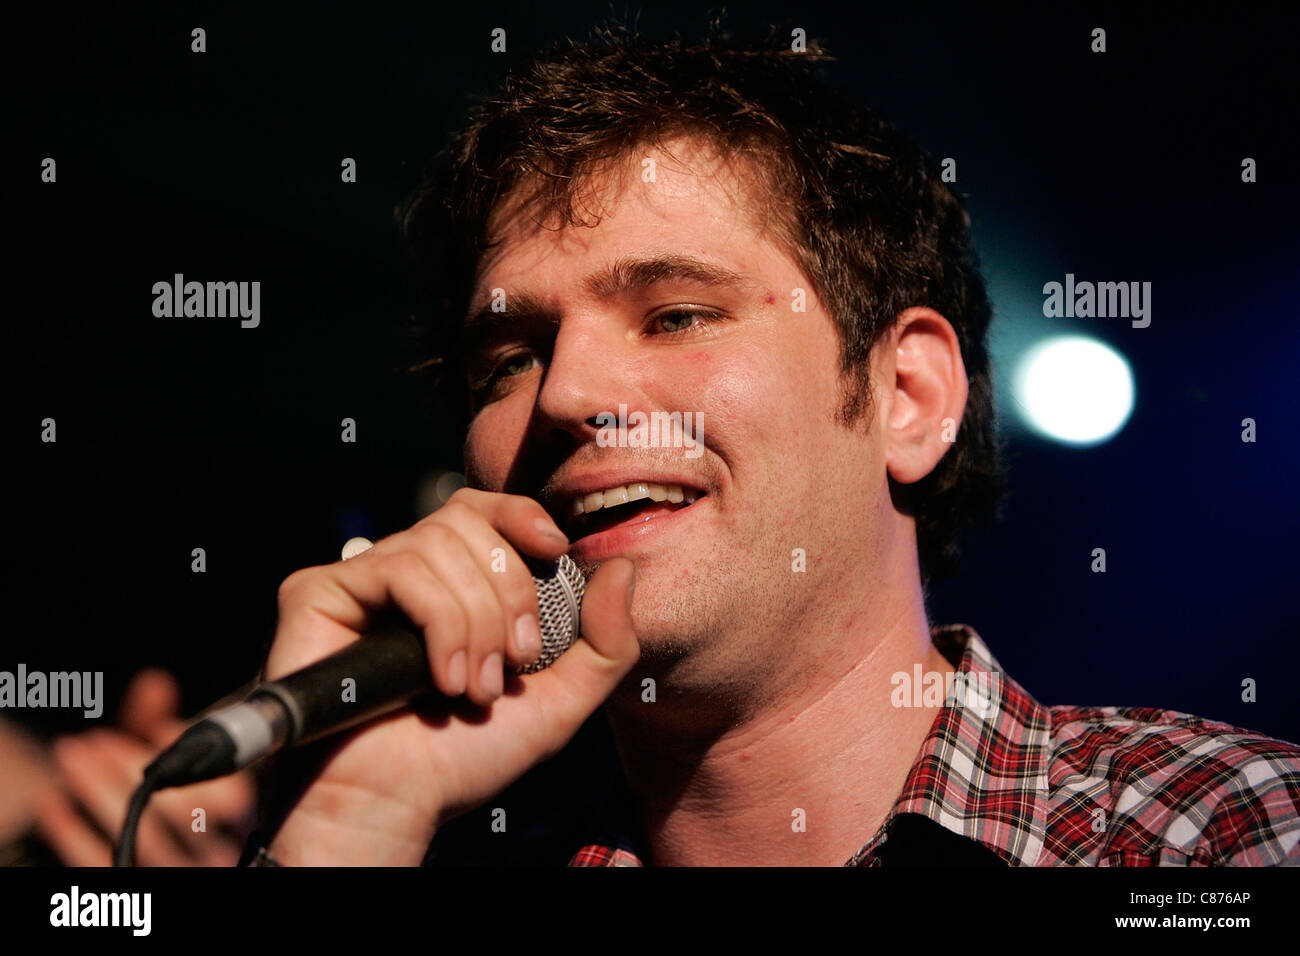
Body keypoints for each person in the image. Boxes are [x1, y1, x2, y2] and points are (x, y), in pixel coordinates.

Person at [244, 29, 1300, 867]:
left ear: (907, 395)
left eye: (676, 315)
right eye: (509, 360)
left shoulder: (1219, 831)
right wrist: (346, 824)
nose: (564, 394)